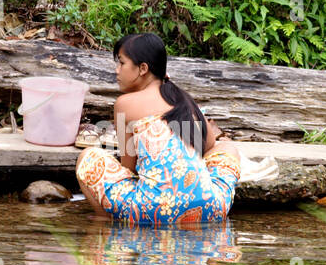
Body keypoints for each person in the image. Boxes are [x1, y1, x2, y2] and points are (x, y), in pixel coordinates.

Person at [76, 33, 241, 225]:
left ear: (143, 69)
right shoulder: (185, 101)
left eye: (121, 63)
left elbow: (129, 169)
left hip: (151, 213)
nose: (117, 70)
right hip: (210, 210)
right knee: (227, 148)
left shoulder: (124, 104)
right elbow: (211, 145)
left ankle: (105, 222)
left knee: (87, 157)